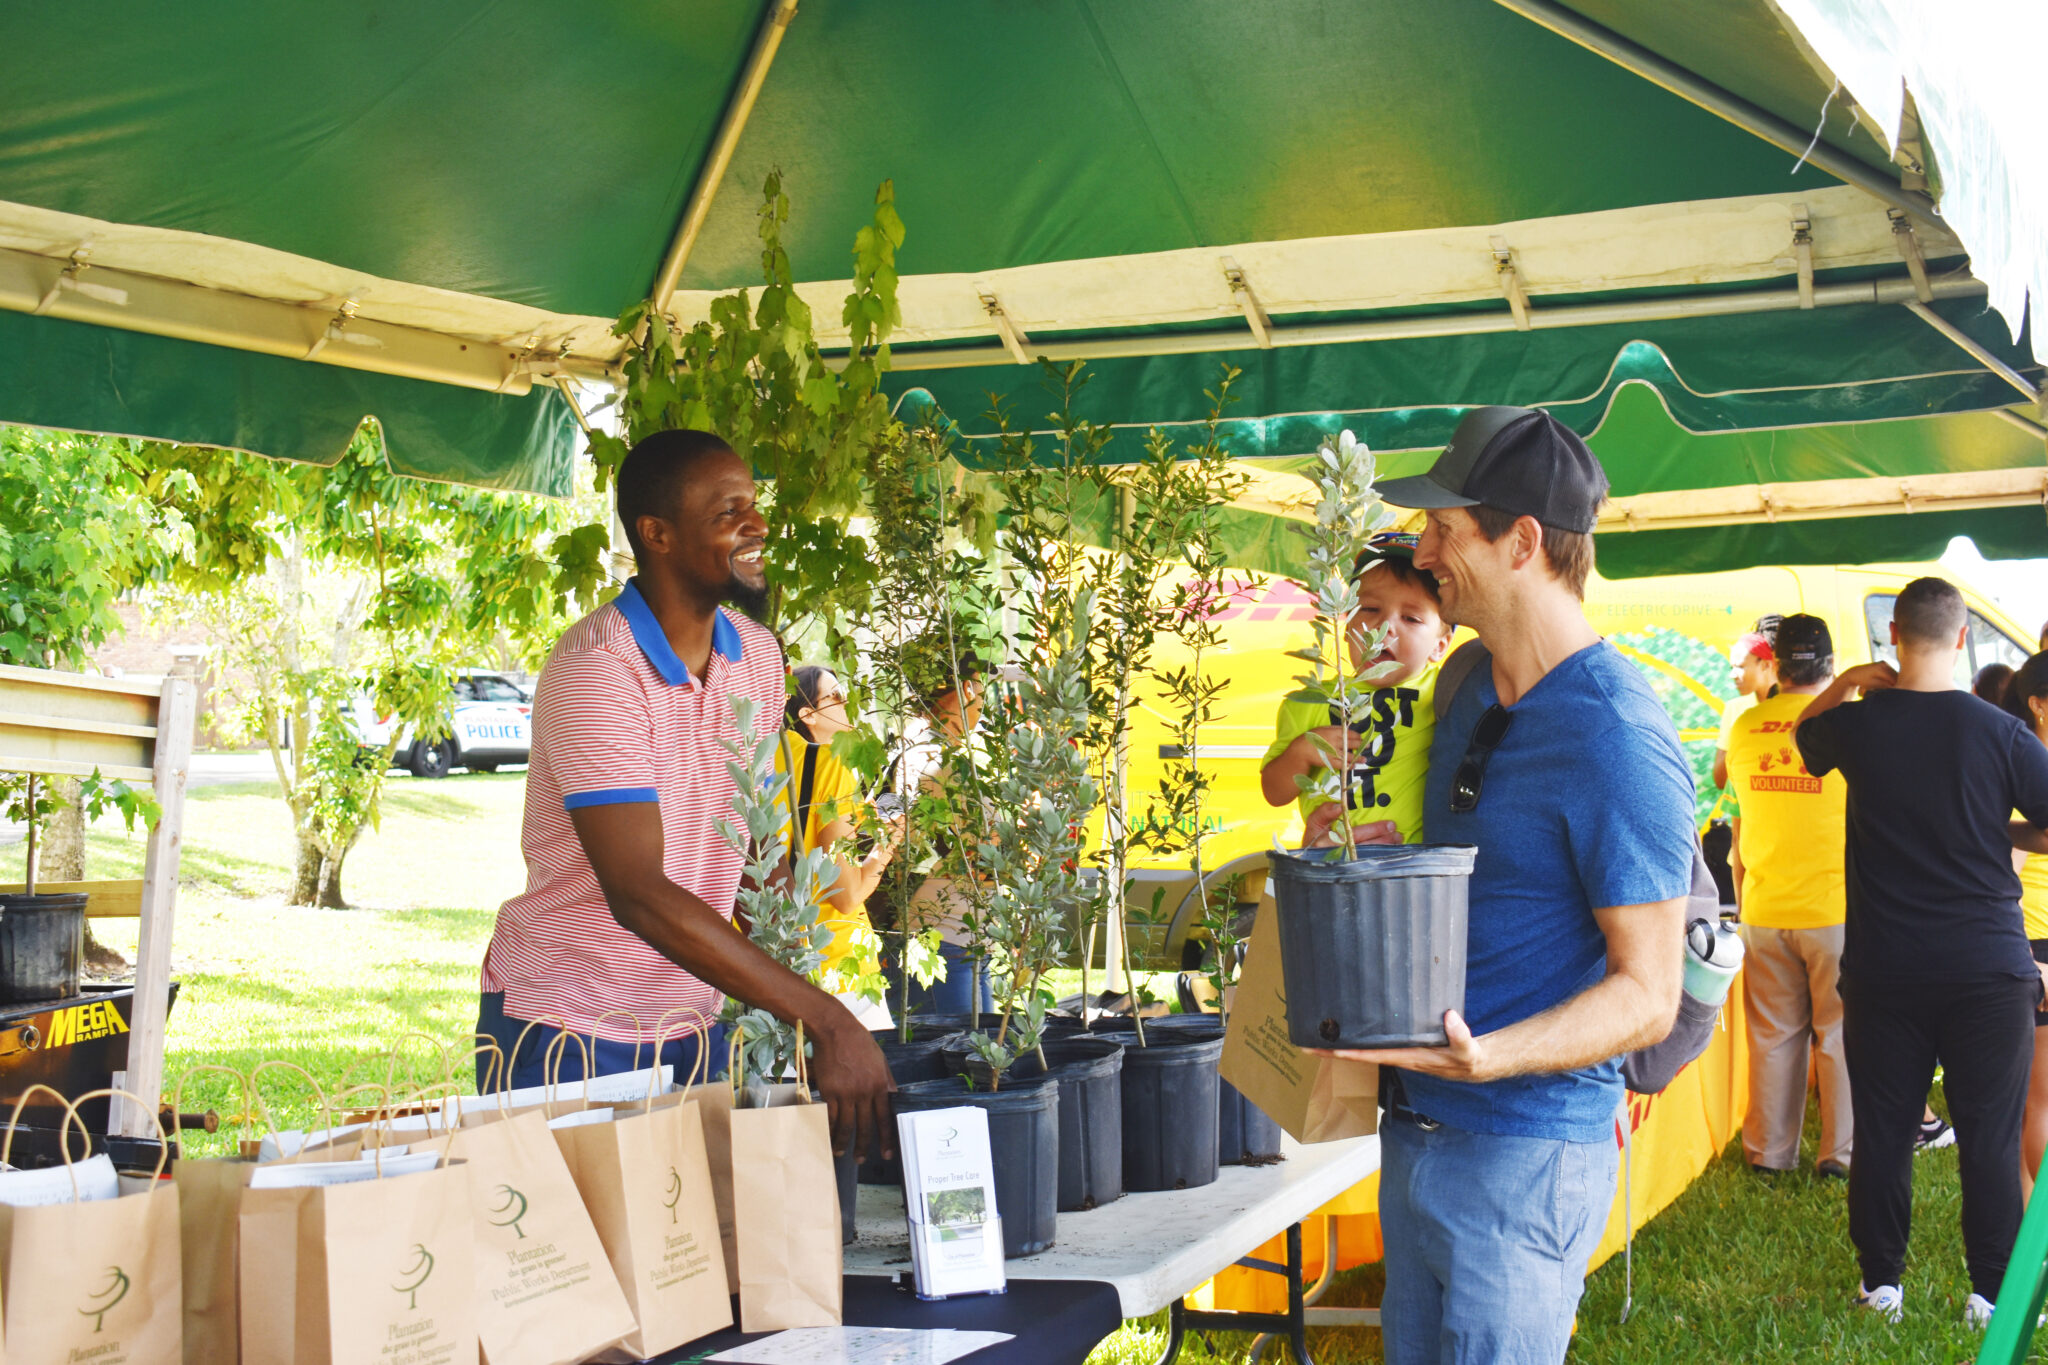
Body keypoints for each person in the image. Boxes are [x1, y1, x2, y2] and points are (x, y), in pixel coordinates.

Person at [1333, 406, 1698, 1364]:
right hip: (1415, 1130)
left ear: (1524, 541)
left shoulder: (1617, 733)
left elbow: (1650, 995)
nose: (1425, 548)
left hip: (1526, 1152)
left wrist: (1493, 1056)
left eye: (1447, 528)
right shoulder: (1458, 684)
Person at [476, 428, 894, 1160]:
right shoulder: (597, 669)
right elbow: (637, 891)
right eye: (728, 509)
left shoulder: (757, 655)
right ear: (657, 533)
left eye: (755, 505)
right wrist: (823, 1019)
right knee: (584, 1269)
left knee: (690, 1265)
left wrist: (787, 997)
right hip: (571, 1031)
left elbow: (758, 846)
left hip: (695, 1023)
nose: (757, 523)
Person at [1795, 577, 2048, 1327]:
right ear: (1964, 637)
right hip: (1989, 968)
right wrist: (1994, 833)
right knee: (1992, 1139)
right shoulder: (2003, 732)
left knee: (1883, 1130)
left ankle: (1882, 1287)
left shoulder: (1859, 723)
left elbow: (1803, 738)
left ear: (1894, 637)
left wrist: (1843, 681)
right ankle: (1993, 1296)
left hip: (1887, 969)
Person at [1725, 614, 1851, 1179]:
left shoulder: (1748, 728)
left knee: (1773, 1035)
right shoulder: (1852, 726)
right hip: (1836, 910)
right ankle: (1840, 1155)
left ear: (1776, 665)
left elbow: (1738, 825)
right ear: (1830, 664)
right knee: (1841, 1035)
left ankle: (1769, 1154)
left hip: (1765, 904)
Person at [1259, 530, 1454, 850]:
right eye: (1370, 609)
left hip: (1411, 865)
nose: (1385, 627)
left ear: (1440, 645)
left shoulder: (1446, 690)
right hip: (1332, 861)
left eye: (1411, 618)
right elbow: (1274, 793)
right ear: (1345, 624)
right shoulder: (1310, 700)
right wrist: (1302, 752)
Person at [776, 664, 901, 1030]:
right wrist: (888, 842)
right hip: (837, 967)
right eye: (836, 697)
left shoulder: (770, 760)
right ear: (807, 715)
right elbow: (846, 894)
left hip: (771, 962)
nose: (848, 704)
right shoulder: (831, 761)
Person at [891, 645, 995, 1015]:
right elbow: (972, 853)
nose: (982, 696)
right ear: (964, 689)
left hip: (964, 936)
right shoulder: (928, 757)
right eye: (979, 684)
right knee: (960, 1060)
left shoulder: (932, 750)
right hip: (941, 936)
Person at [2001, 653, 2048, 1196]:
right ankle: (2034, 1231)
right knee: (2038, 1103)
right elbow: (2003, 879)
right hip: (2036, 948)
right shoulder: (2025, 769)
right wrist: (2028, 960)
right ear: (2039, 705)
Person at [1713, 626, 1779, 792]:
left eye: (1740, 667)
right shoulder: (1735, 708)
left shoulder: (1792, 706)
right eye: (1731, 668)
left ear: (1765, 665)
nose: (1733, 675)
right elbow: (1720, 780)